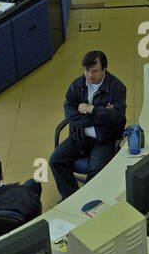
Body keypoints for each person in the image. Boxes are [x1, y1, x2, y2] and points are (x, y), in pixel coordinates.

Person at [49, 50, 127, 199]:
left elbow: (117, 117)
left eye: (94, 71)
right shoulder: (77, 86)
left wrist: (89, 109)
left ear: (104, 69)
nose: (89, 75)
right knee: (55, 161)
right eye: (86, 70)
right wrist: (101, 114)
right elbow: (70, 115)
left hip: (103, 139)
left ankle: (87, 200)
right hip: (78, 136)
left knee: (96, 169)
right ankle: (71, 198)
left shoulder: (117, 88)